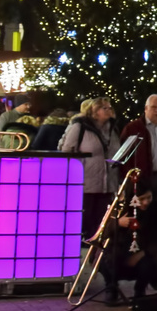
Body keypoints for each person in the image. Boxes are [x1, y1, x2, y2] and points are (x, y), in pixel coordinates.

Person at [93, 187, 157, 306]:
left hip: (142, 254)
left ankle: (140, 291)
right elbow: (102, 234)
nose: (145, 202)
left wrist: (142, 254)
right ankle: (111, 287)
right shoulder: (119, 209)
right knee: (104, 257)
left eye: (149, 198)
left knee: (150, 262)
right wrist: (117, 223)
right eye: (141, 199)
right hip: (118, 254)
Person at [60, 99, 119, 240]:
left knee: (101, 225)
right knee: (85, 221)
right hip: (86, 184)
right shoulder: (80, 127)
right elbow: (67, 151)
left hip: (107, 185)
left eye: (110, 107)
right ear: (94, 111)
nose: (109, 110)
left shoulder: (113, 128)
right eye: (104, 108)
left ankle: (98, 251)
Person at [120, 94, 157, 220]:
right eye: (154, 107)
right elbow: (124, 155)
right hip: (142, 179)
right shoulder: (133, 128)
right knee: (142, 215)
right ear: (146, 108)